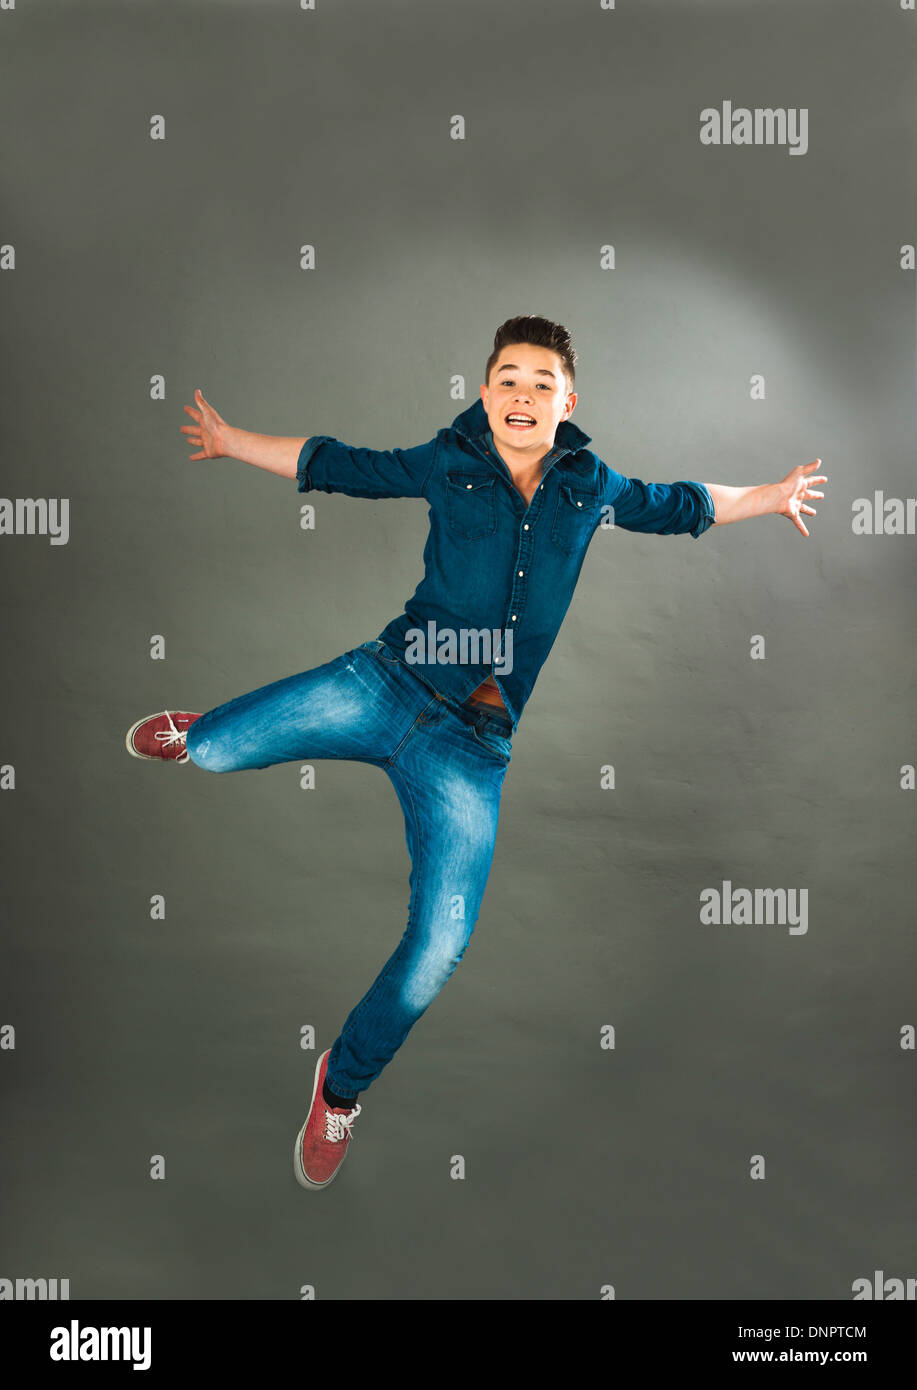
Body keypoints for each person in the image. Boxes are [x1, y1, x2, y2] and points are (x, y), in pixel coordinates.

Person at [124, 315, 826, 1191]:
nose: (522, 394)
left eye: (541, 382)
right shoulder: (444, 460)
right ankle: (205, 730)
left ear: (568, 402)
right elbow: (336, 463)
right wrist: (231, 443)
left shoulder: (591, 485)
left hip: (470, 747)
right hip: (389, 681)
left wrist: (769, 494)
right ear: (484, 393)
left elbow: (684, 504)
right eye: (507, 378)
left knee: (440, 943)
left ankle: (339, 1087)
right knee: (219, 754)